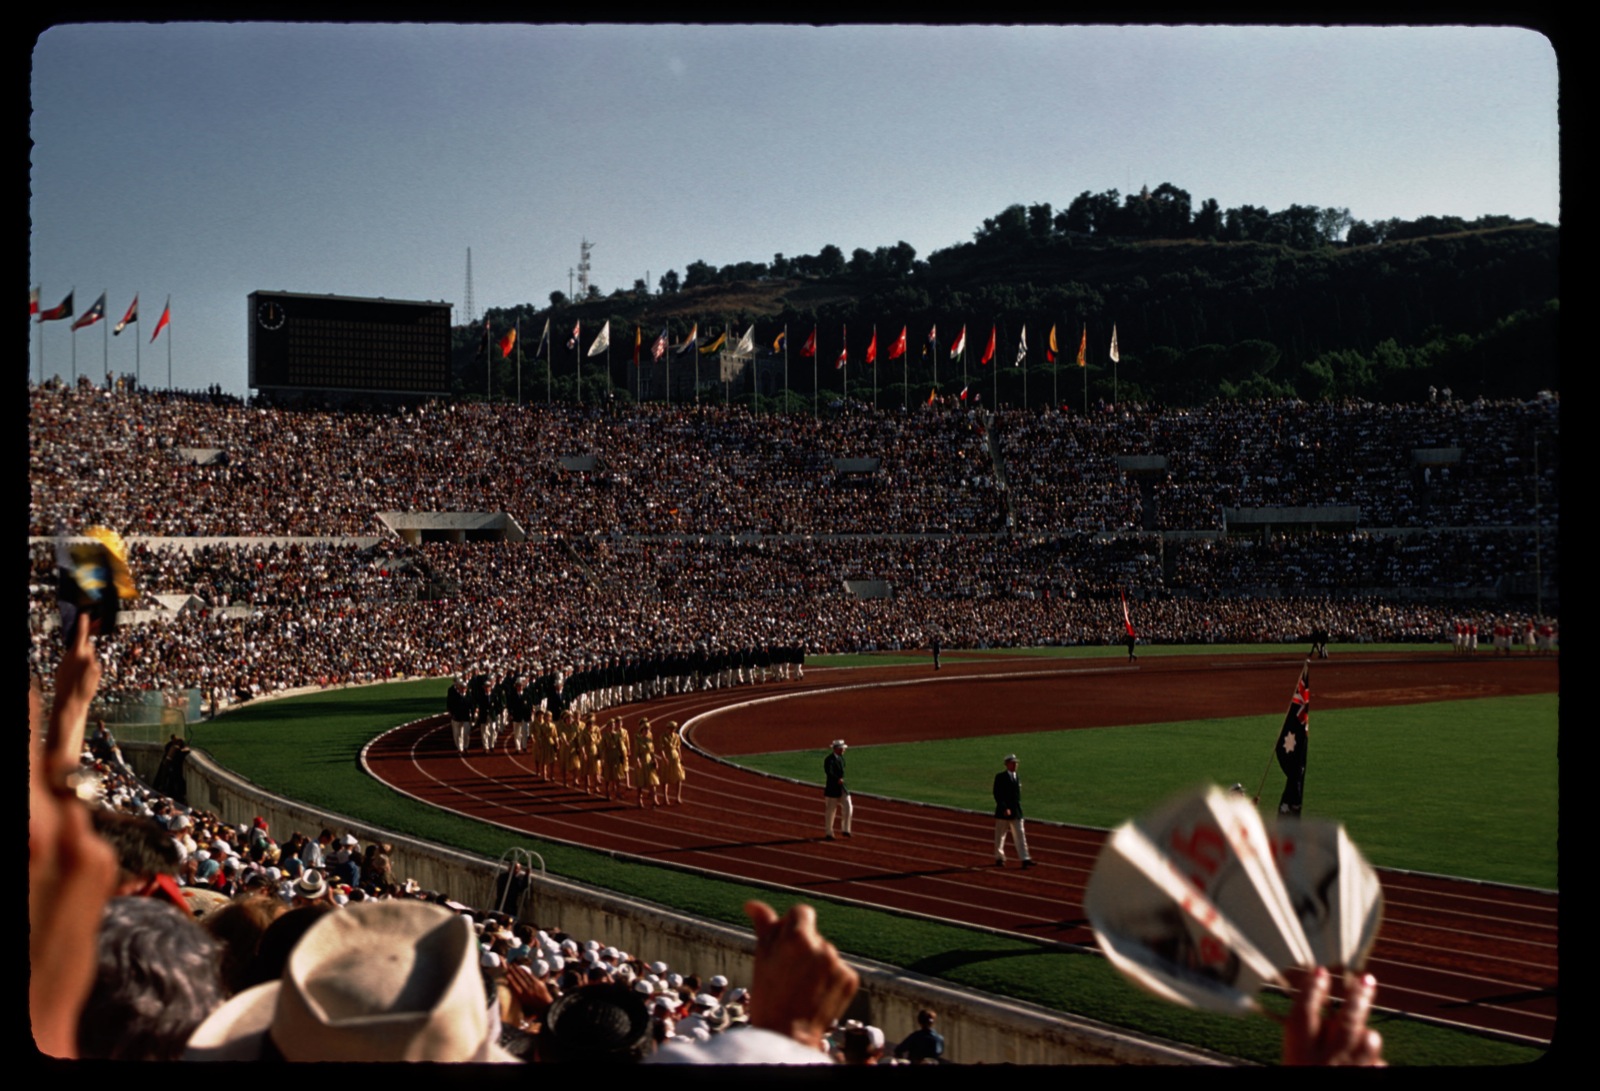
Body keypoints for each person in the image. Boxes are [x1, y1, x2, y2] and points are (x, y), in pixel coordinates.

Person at [993, 754, 1034, 868]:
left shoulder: (1017, 777)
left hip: (1016, 811)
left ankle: (1025, 859)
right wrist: (1004, 808)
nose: (1015, 765)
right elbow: (998, 794)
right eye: (1012, 763)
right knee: (1000, 836)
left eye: (1016, 763)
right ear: (1006, 764)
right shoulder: (1000, 777)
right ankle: (999, 858)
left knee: (1020, 835)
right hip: (1003, 812)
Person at [823, 740, 852, 840]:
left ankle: (846, 829)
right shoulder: (829, 760)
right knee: (831, 811)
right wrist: (837, 779)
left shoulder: (841, 759)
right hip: (832, 789)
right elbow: (829, 772)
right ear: (836, 749)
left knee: (848, 806)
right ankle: (829, 833)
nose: (844, 750)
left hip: (841, 787)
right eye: (842, 748)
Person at [446, 677, 472, 754]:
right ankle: (460, 748)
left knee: (466, 733)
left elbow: (471, 705)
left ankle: (466, 746)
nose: (463, 689)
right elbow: (451, 704)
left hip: (466, 717)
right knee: (459, 733)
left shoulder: (468, 695)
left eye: (464, 688)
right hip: (457, 716)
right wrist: (452, 713)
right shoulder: (455, 695)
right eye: (462, 687)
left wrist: (473, 715)